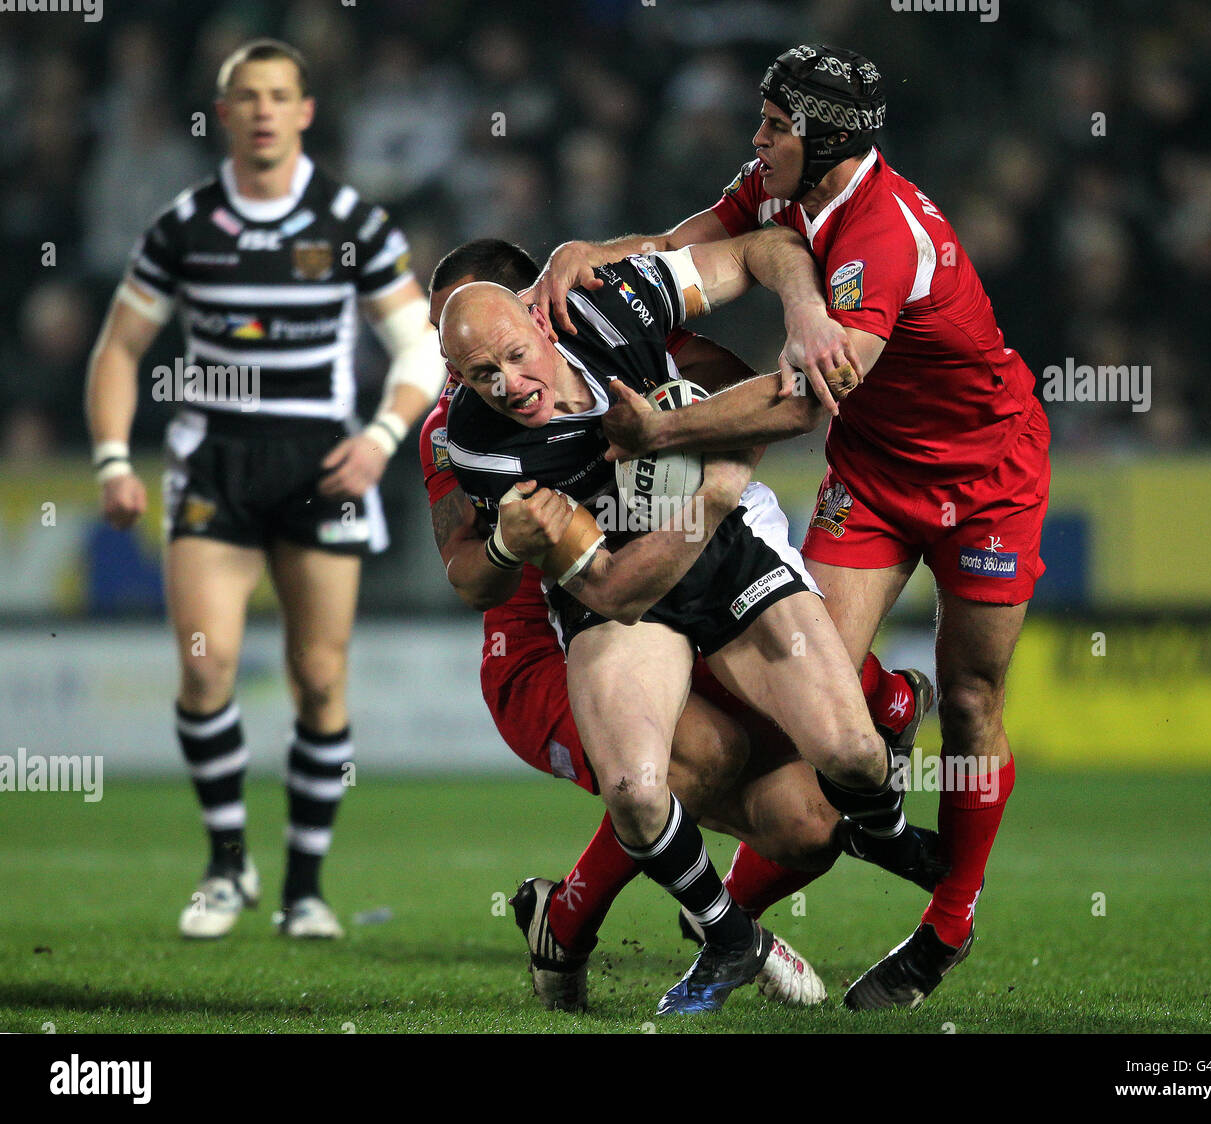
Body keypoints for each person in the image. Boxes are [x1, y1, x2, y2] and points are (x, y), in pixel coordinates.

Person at [527, 44, 1049, 1009]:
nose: (755, 138)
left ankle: (947, 923)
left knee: (973, 700)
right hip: (878, 475)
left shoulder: (884, 236)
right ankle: (885, 717)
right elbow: (686, 249)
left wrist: (664, 429)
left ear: (828, 139)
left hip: (988, 473)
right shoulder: (780, 185)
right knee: (802, 714)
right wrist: (584, 254)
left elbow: (805, 402)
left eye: (774, 125)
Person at [421, 239, 945, 1012]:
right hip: (588, 609)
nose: (496, 382)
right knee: (672, 772)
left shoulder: (606, 299)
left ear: (539, 307)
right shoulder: (465, 436)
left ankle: (879, 809)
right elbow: (600, 585)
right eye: (465, 364)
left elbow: (760, 280)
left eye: (506, 351)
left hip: (715, 541)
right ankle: (715, 931)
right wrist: (708, 484)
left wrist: (797, 323)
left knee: (815, 808)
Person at [84, 40, 446, 940]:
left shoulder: (351, 220)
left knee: (319, 680)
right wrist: (113, 461)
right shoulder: (184, 224)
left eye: (279, 96)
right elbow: (119, 350)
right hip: (214, 469)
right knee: (205, 666)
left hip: (323, 469)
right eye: (246, 97)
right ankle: (226, 868)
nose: (263, 112)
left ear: (305, 111)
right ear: (225, 110)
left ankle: (306, 889)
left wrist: (381, 437)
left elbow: (421, 351)